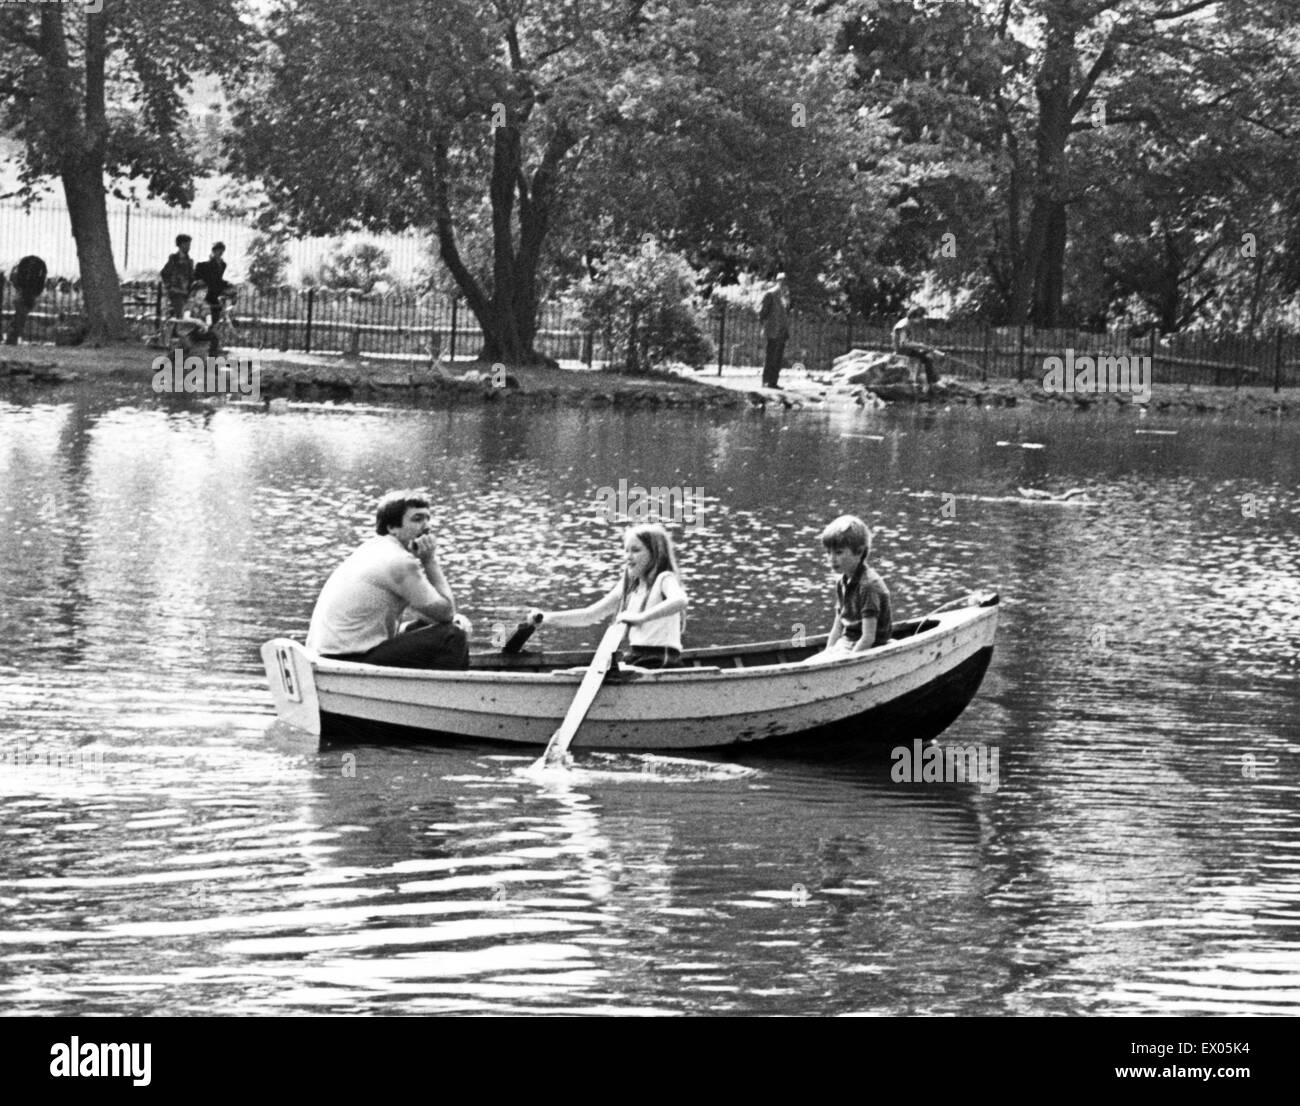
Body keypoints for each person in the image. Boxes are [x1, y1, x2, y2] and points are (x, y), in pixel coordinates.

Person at [306, 490, 471, 669]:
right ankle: (447, 695)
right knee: (453, 636)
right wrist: (429, 560)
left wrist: (445, 619)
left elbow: (434, 614)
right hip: (346, 661)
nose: (427, 526)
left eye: (428, 518)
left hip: (323, 656)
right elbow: (446, 612)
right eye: (417, 519)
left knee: (424, 626)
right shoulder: (398, 562)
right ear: (392, 527)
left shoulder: (373, 549)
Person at [529, 524, 688, 669]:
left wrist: (640, 617)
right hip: (637, 656)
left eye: (636, 550)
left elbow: (680, 600)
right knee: (594, 670)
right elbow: (589, 615)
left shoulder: (664, 579)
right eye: (626, 550)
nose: (628, 556)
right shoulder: (630, 584)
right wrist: (546, 618)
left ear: (655, 553)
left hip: (662, 659)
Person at [803, 514, 892, 662]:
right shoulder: (842, 582)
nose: (832, 559)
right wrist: (827, 653)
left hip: (870, 647)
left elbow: (869, 638)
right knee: (808, 663)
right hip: (848, 642)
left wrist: (847, 664)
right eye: (828, 552)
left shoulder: (868, 586)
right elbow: (838, 627)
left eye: (838, 552)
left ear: (859, 552)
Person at [892, 306, 939, 395]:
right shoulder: (904, 325)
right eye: (921, 317)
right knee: (927, 359)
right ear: (915, 316)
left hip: (906, 350)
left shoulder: (906, 323)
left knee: (926, 356)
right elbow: (904, 343)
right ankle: (929, 386)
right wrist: (920, 345)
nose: (922, 319)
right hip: (902, 351)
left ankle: (931, 383)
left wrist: (921, 346)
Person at [5, 255, 47, 345]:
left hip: (25, 294)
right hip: (27, 294)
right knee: (20, 317)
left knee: (19, 317)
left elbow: (13, 279)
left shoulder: (20, 273)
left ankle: (12, 337)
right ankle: (13, 337)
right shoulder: (34, 275)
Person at [160, 234, 195, 342]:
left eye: (189, 244)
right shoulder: (174, 259)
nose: (189, 246)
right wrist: (170, 287)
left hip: (185, 292)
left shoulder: (189, 260)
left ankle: (177, 338)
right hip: (176, 292)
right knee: (181, 315)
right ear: (180, 245)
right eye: (187, 244)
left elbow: (191, 276)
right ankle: (177, 339)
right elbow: (165, 273)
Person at [759, 272, 790, 388]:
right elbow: (762, 314)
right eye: (782, 281)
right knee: (770, 356)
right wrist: (765, 328)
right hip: (772, 330)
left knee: (778, 358)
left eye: (786, 281)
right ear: (778, 281)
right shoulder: (770, 294)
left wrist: (786, 330)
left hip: (782, 331)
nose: (784, 283)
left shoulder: (786, 296)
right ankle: (766, 381)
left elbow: (785, 315)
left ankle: (774, 382)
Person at [193, 242, 230, 330]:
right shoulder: (205, 265)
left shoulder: (223, 265)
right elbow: (197, 277)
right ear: (213, 251)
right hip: (206, 295)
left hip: (216, 295)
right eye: (218, 250)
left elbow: (219, 279)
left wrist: (227, 285)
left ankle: (207, 333)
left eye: (222, 250)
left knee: (214, 317)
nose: (220, 252)